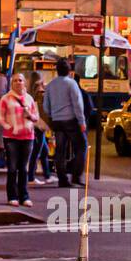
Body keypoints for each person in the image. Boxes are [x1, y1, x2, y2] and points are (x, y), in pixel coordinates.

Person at [0, 72, 40, 207]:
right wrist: (9, 126)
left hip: (27, 137)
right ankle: (12, 196)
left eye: (20, 80)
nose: (18, 82)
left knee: (23, 168)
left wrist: (30, 116)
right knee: (12, 168)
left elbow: (36, 117)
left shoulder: (29, 99)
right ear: (11, 83)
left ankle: (24, 196)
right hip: (11, 138)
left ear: (24, 82)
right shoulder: (5, 99)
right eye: (15, 80)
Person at [43, 60, 86, 188]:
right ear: (69, 71)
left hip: (57, 121)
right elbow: (77, 104)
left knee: (60, 151)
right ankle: (76, 176)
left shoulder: (50, 85)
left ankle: (62, 179)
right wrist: (81, 121)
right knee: (81, 146)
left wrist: (52, 115)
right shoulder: (71, 83)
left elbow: (46, 106)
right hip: (71, 120)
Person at [27, 71, 52, 183]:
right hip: (38, 126)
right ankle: (31, 177)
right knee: (36, 152)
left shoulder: (30, 91)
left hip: (34, 125)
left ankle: (47, 175)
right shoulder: (40, 92)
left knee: (44, 151)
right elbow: (42, 111)